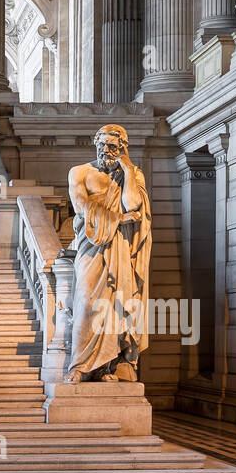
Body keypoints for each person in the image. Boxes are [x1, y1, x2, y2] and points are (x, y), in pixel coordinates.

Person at [65, 124, 152, 383]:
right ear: (95, 143)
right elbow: (81, 207)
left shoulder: (132, 174)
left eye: (113, 146)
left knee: (117, 305)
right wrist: (121, 219)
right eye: (102, 144)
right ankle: (80, 365)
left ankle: (110, 366)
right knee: (86, 302)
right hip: (91, 246)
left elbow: (133, 204)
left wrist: (126, 169)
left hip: (121, 248)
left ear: (123, 148)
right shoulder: (80, 172)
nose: (106, 150)